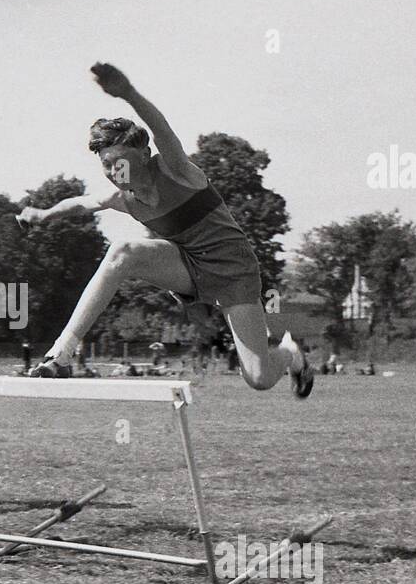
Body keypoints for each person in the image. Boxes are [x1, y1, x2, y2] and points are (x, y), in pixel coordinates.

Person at [17, 64, 312, 398]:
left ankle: (289, 352)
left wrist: (128, 93)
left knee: (258, 377)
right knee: (123, 252)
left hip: (234, 272)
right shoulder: (121, 197)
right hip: (188, 268)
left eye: (123, 162)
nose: (116, 172)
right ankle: (62, 353)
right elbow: (81, 204)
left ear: (144, 155)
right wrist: (42, 214)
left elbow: (162, 130)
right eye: (108, 165)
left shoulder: (176, 171)